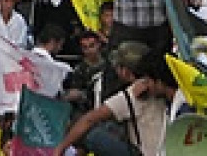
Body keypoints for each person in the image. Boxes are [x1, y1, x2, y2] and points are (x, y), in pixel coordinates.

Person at [52, 53, 185, 156]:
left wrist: (60, 148)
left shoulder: (181, 100)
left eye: (148, 80)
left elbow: (89, 119)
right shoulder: (136, 94)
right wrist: (62, 148)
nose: (144, 83)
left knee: (95, 135)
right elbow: (90, 119)